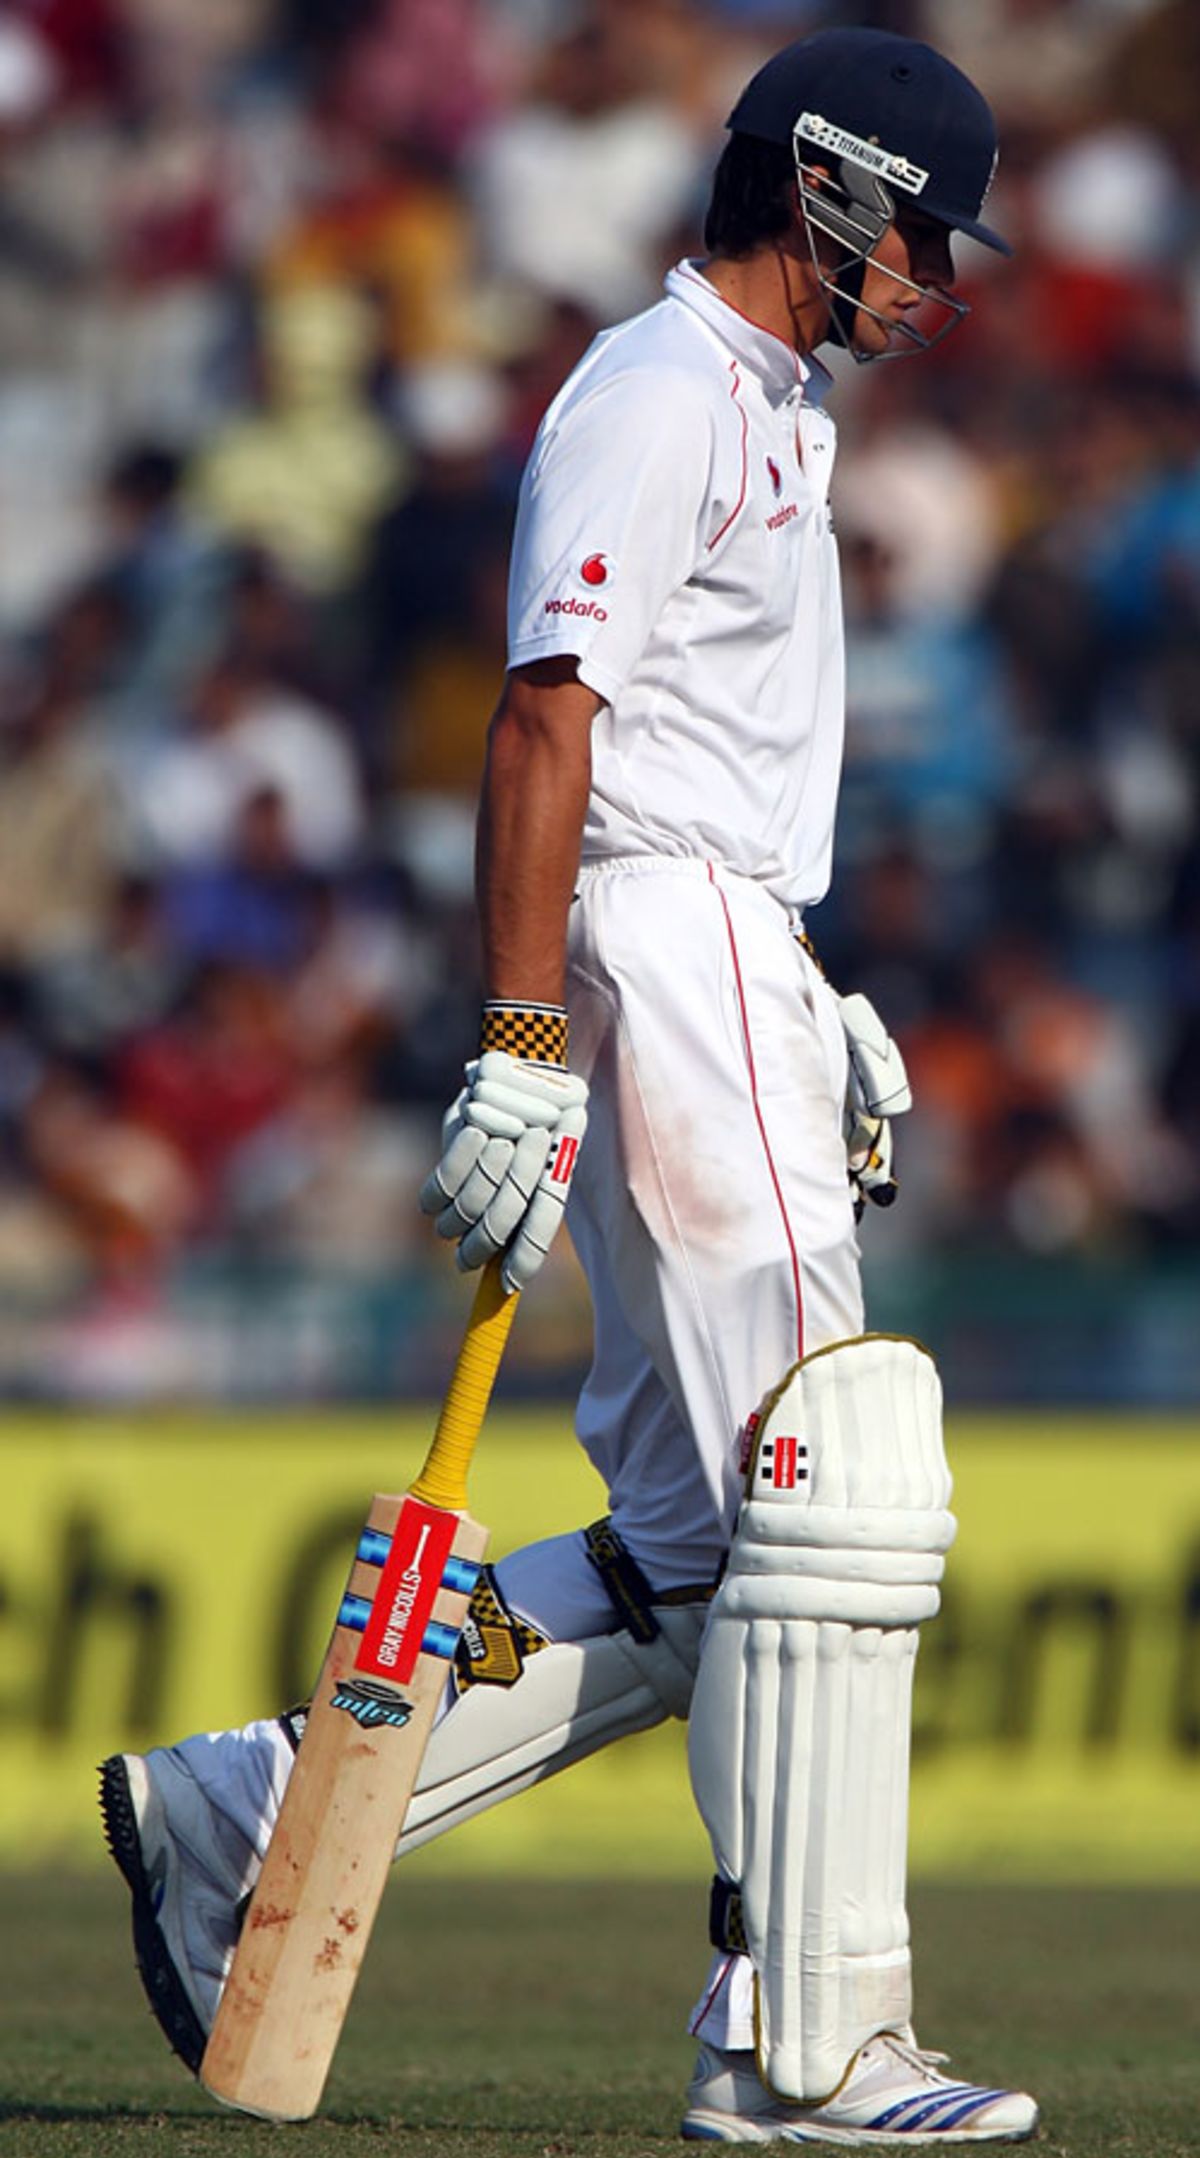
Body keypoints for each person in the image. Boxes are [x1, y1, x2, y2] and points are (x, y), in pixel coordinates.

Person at [100, 28, 1039, 2144]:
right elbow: (549, 727)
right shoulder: (657, 390)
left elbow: (707, 749)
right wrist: (529, 1038)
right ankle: (803, 2039)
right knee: (835, 1493)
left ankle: (241, 1807)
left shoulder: (770, 404)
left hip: (727, 946)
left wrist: (805, 988)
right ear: (827, 187)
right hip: (662, 939)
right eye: (915, 236)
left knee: (712, 1542)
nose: (927, 282)